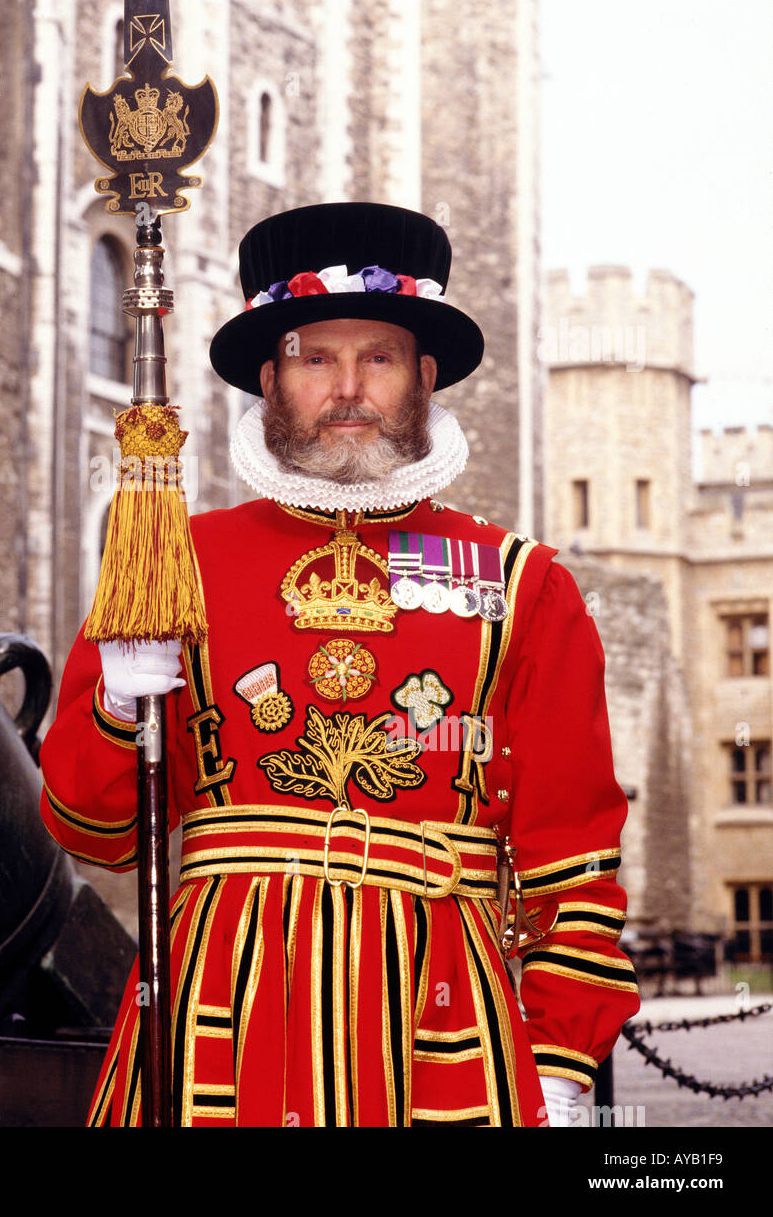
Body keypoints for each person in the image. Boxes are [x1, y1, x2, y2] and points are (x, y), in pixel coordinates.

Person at [38, 202, 640, 1127]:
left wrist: (560, 1063)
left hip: (442, 1021)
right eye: (315, 359)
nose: (348, 389)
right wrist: (118, 710)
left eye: (379, 359)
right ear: (270, 379)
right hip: (222, 1016)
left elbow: (571, 851)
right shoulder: (171, 560)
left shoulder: (522, 582)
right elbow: (95, 831)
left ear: (424, 376)